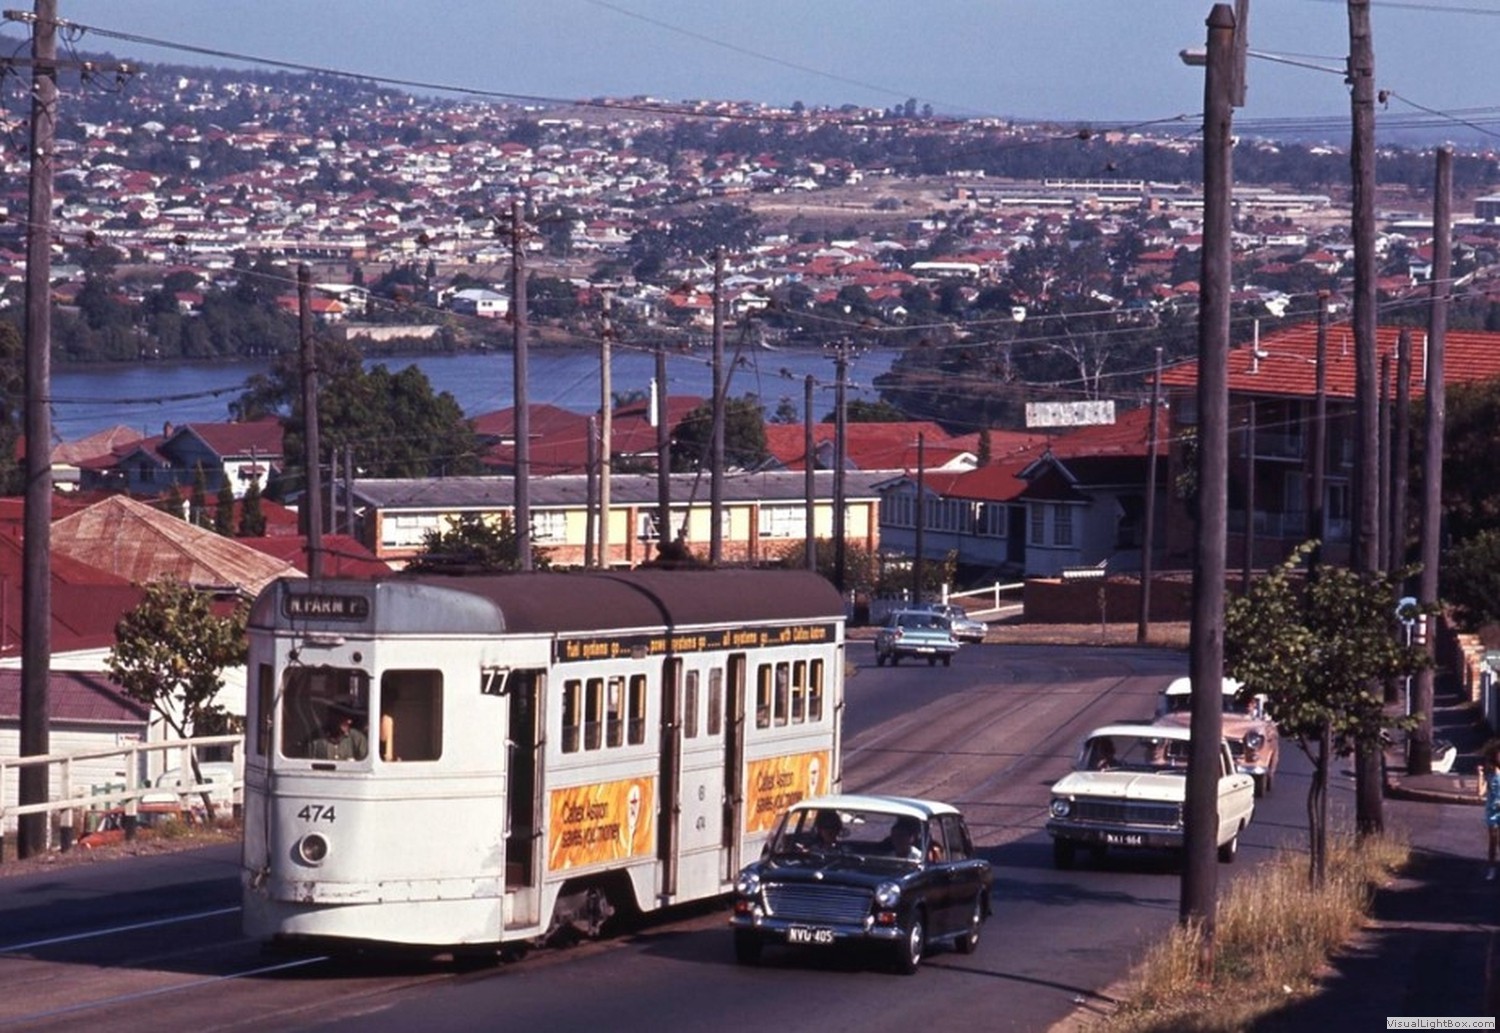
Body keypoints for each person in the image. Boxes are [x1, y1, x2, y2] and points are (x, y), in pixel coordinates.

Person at [304, 702, 368, 761]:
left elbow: (364, 763)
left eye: (350, 718)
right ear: (332, 718)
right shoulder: (315, 741)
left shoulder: (357, 739)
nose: (349, 721)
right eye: (344, 717)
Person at [1479, 739, 1500, 879]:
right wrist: (1480, 775)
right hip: (1492, 810)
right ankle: (1491, 868)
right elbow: (1480, 792)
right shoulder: (1490, 773)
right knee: (1493, 840)